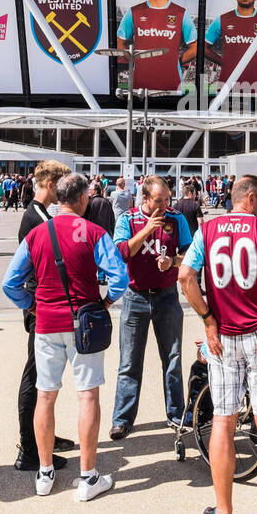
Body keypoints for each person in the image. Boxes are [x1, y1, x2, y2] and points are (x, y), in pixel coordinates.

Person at [3, 173, 128, 500]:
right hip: (84, 322)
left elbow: (10, 283)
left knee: (45, 395)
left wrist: (31, 305)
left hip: (46, 323)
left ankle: (45, 473)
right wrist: (105, 302)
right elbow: (119, 278)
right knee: (87, 395)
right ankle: (88, 477)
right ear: (84, 198)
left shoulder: (36, 234)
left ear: (57, 198)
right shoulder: (94, 232)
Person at [178, 175, 257, 514]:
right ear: (252, 198)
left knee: (224, 421)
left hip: (223, 337)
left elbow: (185, 276)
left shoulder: (208, 230)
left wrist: (208, 319)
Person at [110, 175, 193, 439]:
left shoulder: (176, 218)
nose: (165, 205)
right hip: (135, 297)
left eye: (168, 199)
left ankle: (176, 413)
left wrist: (173, 263)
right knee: (129, 361)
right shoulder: (128, 219)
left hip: (167, 296)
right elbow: (120, 252)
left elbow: (189, 254)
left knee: (173, 358)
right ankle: (122, 419)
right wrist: (146, 229)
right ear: (144, 198)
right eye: (159, 200)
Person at [11, 160, 75, 472]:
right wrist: (31, 303)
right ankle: (29, 449)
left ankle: (42, 435)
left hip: (42, 302)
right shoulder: (36, 217)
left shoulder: (40, 214)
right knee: (35, 376)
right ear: (50, 184)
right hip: (41, 304)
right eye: (61, 184)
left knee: (45, 376)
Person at [117, 0, 198, 91]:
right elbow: (119, 43)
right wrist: (135, 60)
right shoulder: (134, 12)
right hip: (139, 87)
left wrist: (175, 62)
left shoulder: (181, 13)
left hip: (172, 86)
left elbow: (195, 47)